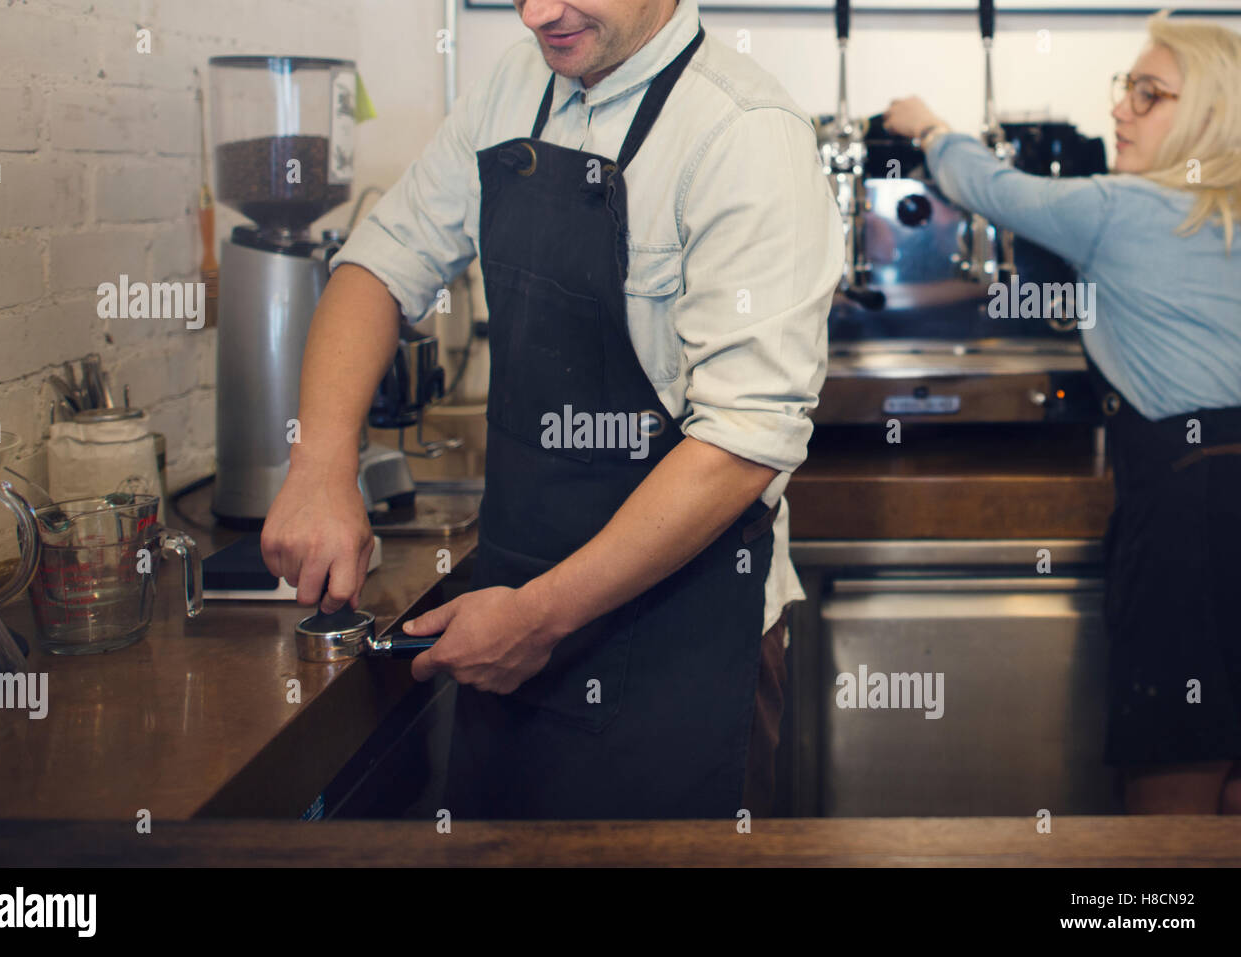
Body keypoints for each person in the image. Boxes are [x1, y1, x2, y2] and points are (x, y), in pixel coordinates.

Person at [261, 0, 843, 818]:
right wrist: (321, 463)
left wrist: (539, 619)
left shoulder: (746, 133)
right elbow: (379, 265)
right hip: (503, 628)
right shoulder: (517, 85)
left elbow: (744, 443)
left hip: (679, 651)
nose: (536, 13)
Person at [884, 12, 1241, 815]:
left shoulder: (1118, 207)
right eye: (1127, 88)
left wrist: (930, 126)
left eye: (1148, 95)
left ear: (1209, 114)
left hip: (1192, 516)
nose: (1120, 108)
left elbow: (994, 190)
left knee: (1172, 795)